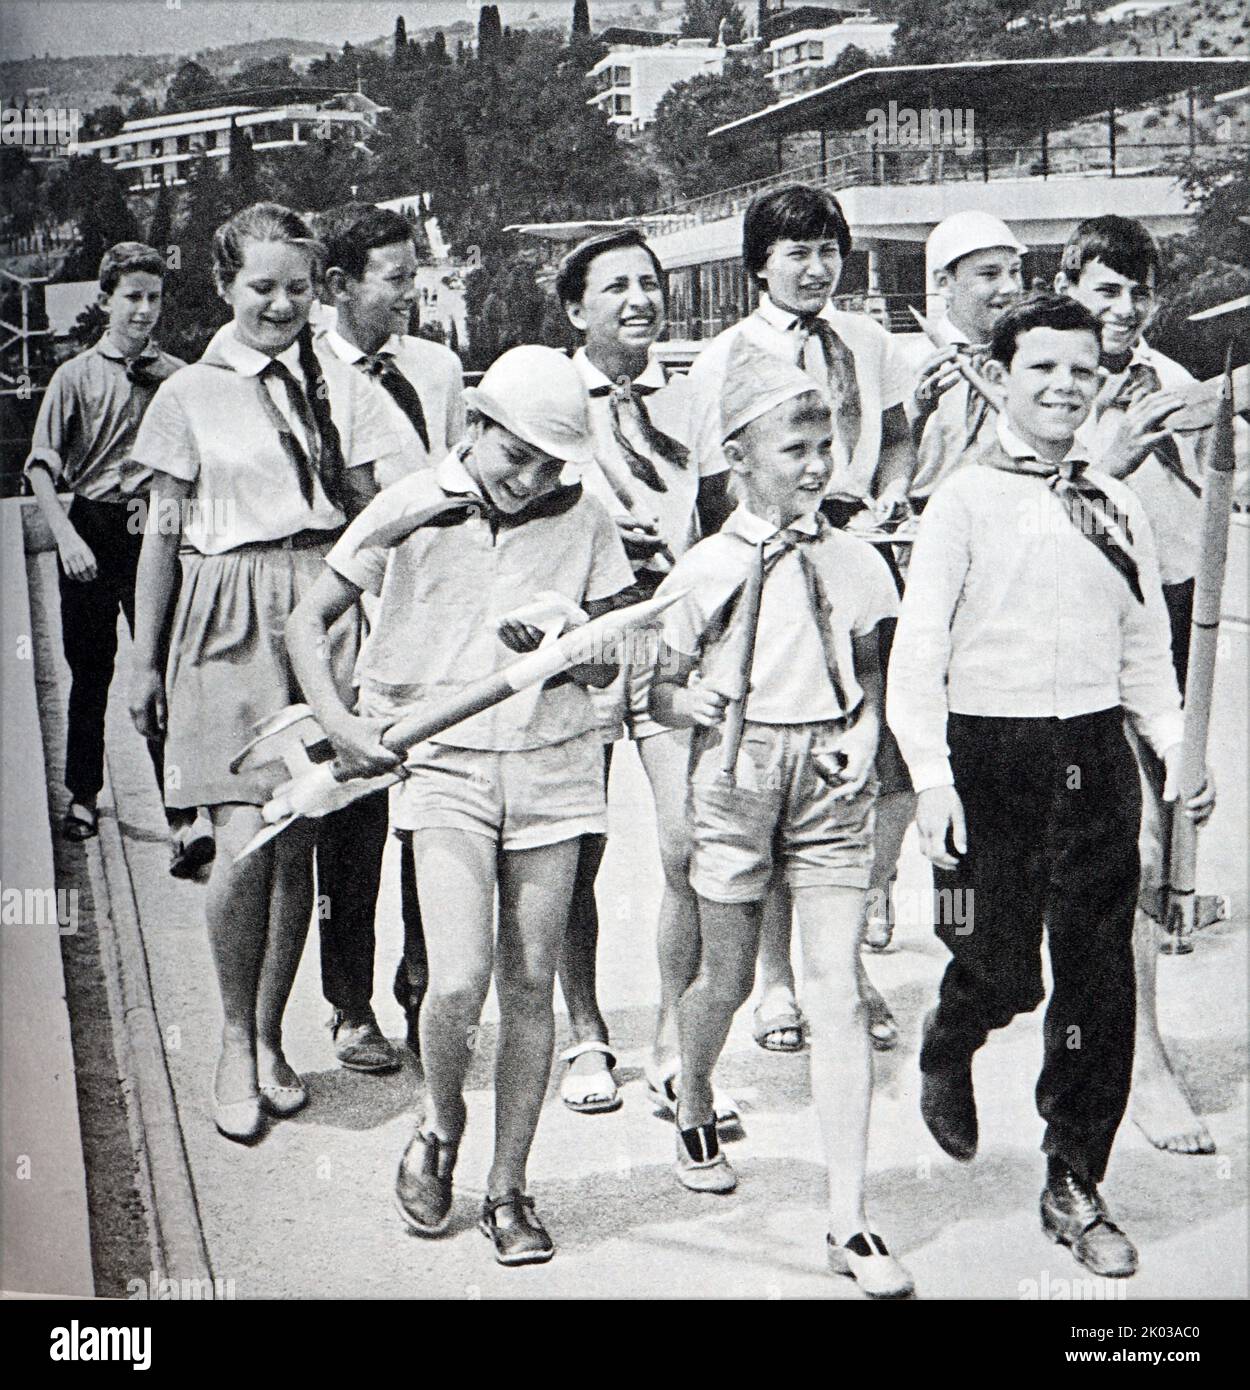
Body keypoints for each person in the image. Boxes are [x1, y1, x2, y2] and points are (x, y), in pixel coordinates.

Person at [887, 293, 1215, 1280]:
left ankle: (1073, 1173)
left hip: (1092, 763)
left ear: (1104, 382)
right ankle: (950, 1036)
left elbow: (1142, 652)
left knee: (1095, 976)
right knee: (995, 962)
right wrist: (931, 779)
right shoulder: (962, 501)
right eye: (1041, 368)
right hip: (983, 761)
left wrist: (1174, 747)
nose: (1063, 386)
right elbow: (917, 656)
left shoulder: (1112, 506)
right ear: (1000, 373)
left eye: (1081, 371)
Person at [286, 346, 634, 1268]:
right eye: (514, 455)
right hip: (441, 764)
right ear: (474, 423)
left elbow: (615, 660)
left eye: (550, 464)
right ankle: (439, 1123)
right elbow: (305, 621)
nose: (529, 480)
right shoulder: (407, 504)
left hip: (556, 768)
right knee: (454, 979)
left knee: (530, 986)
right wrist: (338, 720)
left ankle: (510, 1187)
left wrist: (568, 638)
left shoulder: (587, 517)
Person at [127, 203, 398, 1143]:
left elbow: (373, 503)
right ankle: (233, 1042)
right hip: (227, 609)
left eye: (297, 287)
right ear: (224, 287)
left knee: (299, 837)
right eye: (261, 287)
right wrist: (143, 661)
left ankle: (274, 1038)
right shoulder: (186, 394)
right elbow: (161, 536)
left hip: (321, 608)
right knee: (244, 838)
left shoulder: (341, 377)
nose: (281, 304)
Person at [650, 340, 912, 1297]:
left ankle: (850, 1220)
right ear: (739, 460)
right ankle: (692, 1094)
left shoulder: (857, 561)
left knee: (836, 990)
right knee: (723, 976)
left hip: (830, 774)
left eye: (826, 443)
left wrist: (865, 730)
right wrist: (693, 709)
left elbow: (877, 672)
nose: (816, 464)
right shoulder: (703, 572)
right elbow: (660, 691)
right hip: (737, 773)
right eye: (793, 447)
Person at [686, 183, 915, 1052]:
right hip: (773, 571)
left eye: (828, 249)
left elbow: (896, 435)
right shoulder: (726, 356)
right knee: (783, 776)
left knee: (869, 768)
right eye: (796, 253)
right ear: (758, 265)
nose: (816, 268)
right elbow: (717, 486)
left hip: (859, 555)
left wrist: (888, 495)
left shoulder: (870, 339)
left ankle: (843, 964)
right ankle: (778, 982)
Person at [553, 228, 740, 1120]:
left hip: (673, 643)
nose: (640, 300)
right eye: (617, 286)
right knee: (569, 856)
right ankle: (587, 1033)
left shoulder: (695, 397)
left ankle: (674, 1042)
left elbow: (715, 514)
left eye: (651, 283)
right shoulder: (549, 395)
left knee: (688, 846)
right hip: (582, 647)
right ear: (575, 308)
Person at [1056, 215, 1233, 1154]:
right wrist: (1103, 457)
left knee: (1151, 848)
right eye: (1105, 289)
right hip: (1051, 637)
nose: (1123, 309)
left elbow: (1222, 498)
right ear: (1071, 285)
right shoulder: (1042, 379)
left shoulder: (1173, 385)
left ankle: (1141, 1052)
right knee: (1104, 858)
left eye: (1138, 292)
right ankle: (1119, 1051)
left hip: (1157, 627)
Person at [309, 202, 467, 1073]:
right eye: (395, 278)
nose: (412, 293)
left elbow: (457, 486)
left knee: (428, 816)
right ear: (339, 286)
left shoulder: (438, 370)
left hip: (424, 626)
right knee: (355, 822)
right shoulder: (308, 376)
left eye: (416, 275)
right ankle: (348, 1004)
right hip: (343, 621)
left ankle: (423, 988)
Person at [24, 242, 213, 876]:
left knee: (161, 673)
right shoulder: (75, 376)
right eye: (132, 297)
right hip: (91, 529)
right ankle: (82, 795)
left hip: (152, 529)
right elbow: (41, 469)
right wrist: (67, 538)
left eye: (154, 298)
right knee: (92, 671)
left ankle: (181, 816)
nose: (144, 310)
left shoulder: (181, 377)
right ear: (106, 300)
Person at [864, 212, 1025, 951]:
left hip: (1002, 585)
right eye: (988, 275)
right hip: (920, 574)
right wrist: (919, 410)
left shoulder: (1030, 360)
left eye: (1014, 273)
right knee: (910, 760)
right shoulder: (902, 359)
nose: (1007, 289)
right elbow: (875, 466)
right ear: (943, 284)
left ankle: (983, 930)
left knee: (992, 764)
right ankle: (880, 885)